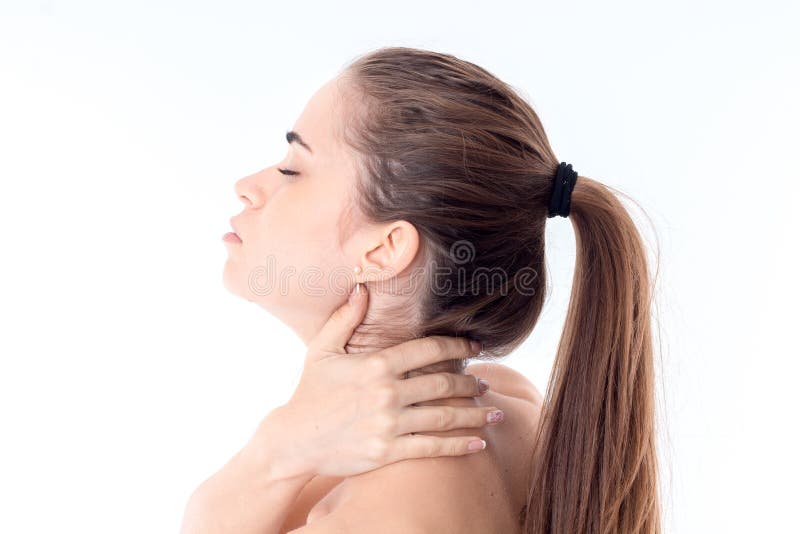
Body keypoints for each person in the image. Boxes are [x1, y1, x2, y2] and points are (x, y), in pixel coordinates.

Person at [182, 46, 661, 534]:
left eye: (292, 169)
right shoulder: (512, 405)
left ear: (385, 249)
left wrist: (274, 452)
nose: (247, 186)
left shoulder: (370, 517)